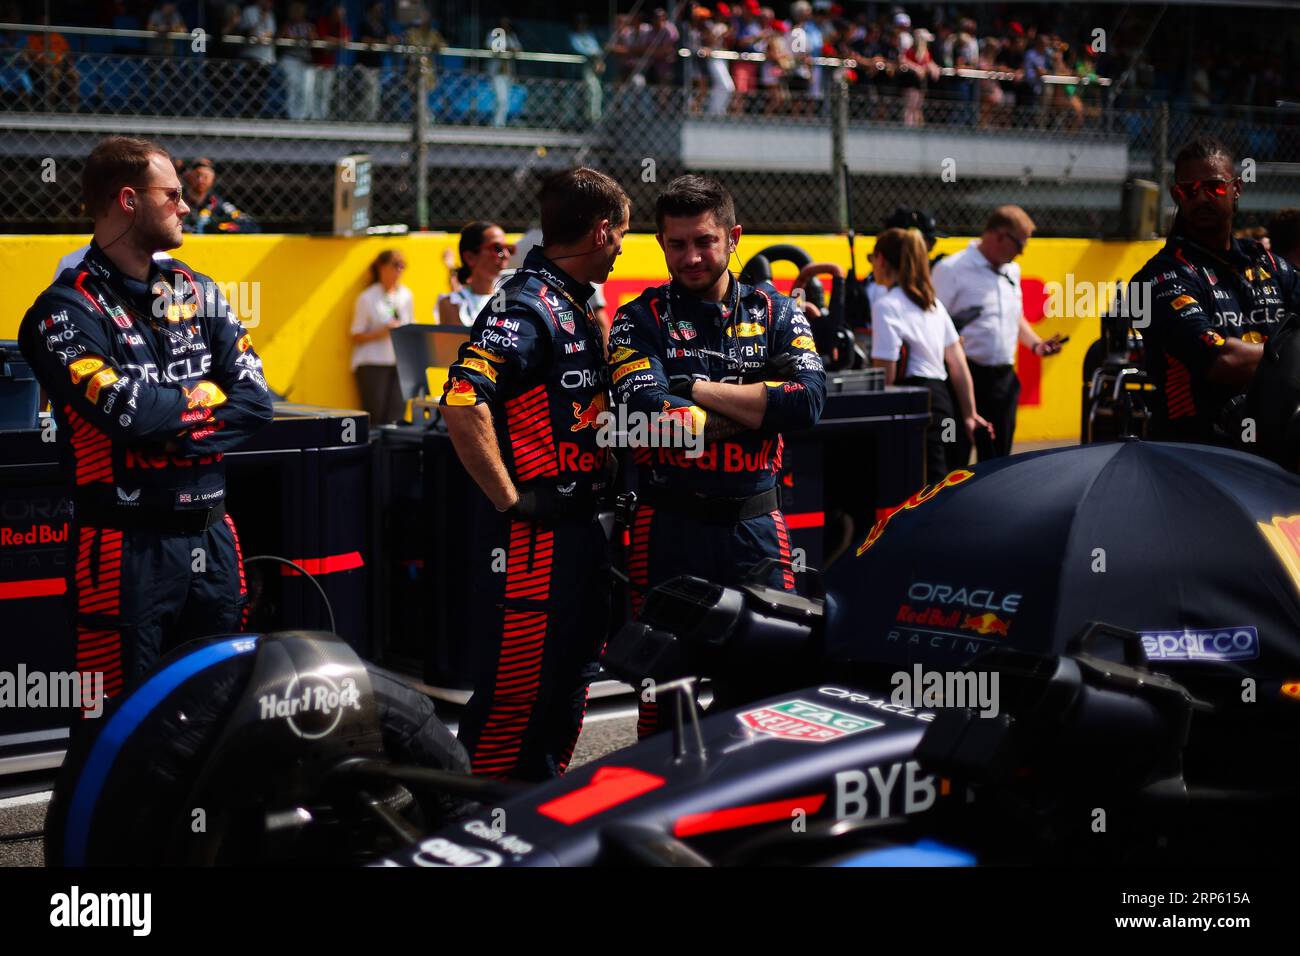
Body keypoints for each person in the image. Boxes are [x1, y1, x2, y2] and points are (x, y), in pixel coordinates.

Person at [16, 136, 273, 697]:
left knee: (215, 713)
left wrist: (170, 426)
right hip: (121, 547)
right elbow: (129, 417)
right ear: (128, 200)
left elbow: (256, 402)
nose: (186, 205)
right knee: (114, 721)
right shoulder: (62, 310)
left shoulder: (197, 290)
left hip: (214, 537)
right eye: (172, 195)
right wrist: (202, 397)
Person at [608, 175, 825, 738]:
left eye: (705, 241)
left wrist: (696, 389)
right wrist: (757, 407)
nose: (692, 257)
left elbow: (806, 403)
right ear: (661, 244)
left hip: (755, 529)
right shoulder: (638, 318)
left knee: (766, 694)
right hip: (666, 528)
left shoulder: (777, 311)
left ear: (734, 237)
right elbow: (647, 414)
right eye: (677, 244)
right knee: (663, 699)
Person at [440, 167, 631, 781]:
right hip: (536, 541)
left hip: (578, 529)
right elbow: (461, 400)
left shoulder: (573, 301)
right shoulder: (527, 303)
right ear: (601, 231)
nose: (622, 249)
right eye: (622, 235)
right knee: (519, 695)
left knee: (568, 682)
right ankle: (479, 820)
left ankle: (537, 812)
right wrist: (512, 500)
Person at [1132, 138, 1300, 446]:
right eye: (1190, 191)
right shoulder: (1155, 279)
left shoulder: (1270, 265)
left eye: (1214, 187)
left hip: (1276, 447)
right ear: (1177, 196)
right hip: (1196, 453)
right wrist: (1290, 357)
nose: (1201, 198)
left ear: (1237, 188)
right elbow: (1222, 361)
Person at [932, 205, 1062, 466]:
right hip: (962, 379)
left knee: (998, 463)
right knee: (954, 457)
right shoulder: (951, 269)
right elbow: (933, 323)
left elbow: (1015, 316)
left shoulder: (1011, 270)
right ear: (999, 235)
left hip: (1002, 381)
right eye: (1019, 244)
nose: (1022, 252)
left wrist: (1036, 345)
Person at [869, 228, 990, 485]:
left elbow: (886, 375)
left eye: (872, 258)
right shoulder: (933, 305)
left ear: (881, 259)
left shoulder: (886, 306)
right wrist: (970, 414)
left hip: (914, 405)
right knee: (948, 475)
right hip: (945, 407)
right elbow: (957, 363)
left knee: (922, 487)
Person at [351, 249, 413, 424]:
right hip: (373, 363)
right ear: (382, 267)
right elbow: (356, 334)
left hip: (399, 363)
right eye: (396, 265)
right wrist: (382, 332)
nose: (400, 270)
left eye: (403, 265)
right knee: (375, 416)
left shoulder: (406, 295)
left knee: (397, 417)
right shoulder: (367, 297)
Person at [437, 221, 512, 327]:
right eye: (497, 248)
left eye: (509, 249)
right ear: (470, 257)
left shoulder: (514, 299)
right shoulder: (452, 304)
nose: (506, 255)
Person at [181, 157, 258, 233]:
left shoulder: (217, 204)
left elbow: (250, 225)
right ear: (189, 177)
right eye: (197, 176)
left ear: (213, 179)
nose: (200, 180)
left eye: (205, 177)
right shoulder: (179, 200)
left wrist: (221, 227)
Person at [278, 1, 317, 121]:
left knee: (306, 88)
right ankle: (292, 115)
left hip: (305, 60)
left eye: (300, 10)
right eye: (295, 10)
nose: (297, 13)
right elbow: (283, 38)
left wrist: (305, 37)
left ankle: (304, 115)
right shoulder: (286, 25)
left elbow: (313, 39)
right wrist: (299, 38)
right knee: (293, 86)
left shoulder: (309, 26)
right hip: (291, 58)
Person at [485, 17, 521, 128]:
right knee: (502, 99)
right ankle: (498, 124)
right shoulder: (493, 34)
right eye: (503, 24)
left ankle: (498, 122)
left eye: (507, 24)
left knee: (503, 99)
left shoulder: (512, 36)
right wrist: (507, 49)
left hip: (508, 72)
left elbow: (518, 49)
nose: (505, 26)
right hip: (497, 72)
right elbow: (492, 47)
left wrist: (509, 49)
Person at [570, 14, 604, 125]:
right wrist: (594, 55)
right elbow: (579, 50)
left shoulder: (590, 36)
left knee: (595, 90)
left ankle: (593, 117)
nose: (582, 25)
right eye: (580, 23)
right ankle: (572, 118)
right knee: (575, 95)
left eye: (584, 23)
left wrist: (599, 61)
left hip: (592, 68)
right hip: (578, 70)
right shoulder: (573, 36)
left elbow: (597, 50)